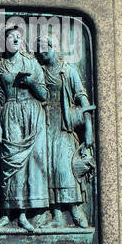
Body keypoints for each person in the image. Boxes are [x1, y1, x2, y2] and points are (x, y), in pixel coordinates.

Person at [0, 25, 49, 231]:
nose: (15, 40)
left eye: (18, 37)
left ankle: (24, 214)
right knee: (10, 165)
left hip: (32, 114)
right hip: (10, 113)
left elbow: (43, 95)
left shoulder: (31, 63)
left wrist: (31, 82)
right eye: (10, 37)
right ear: (4, 42)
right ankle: (6, 213)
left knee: (30, 166)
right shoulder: (0, 68)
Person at [37, 41, 94, 228]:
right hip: (45, 125)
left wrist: (88, 130)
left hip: (64, 125)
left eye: (44, 47)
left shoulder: (69, 71)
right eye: (38, 48)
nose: (41, 51)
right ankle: (56, 216)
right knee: (48, 170)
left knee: (64, 169)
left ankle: (75, 210)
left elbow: (82, 99)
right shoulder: (41, 72)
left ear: (53, 47)